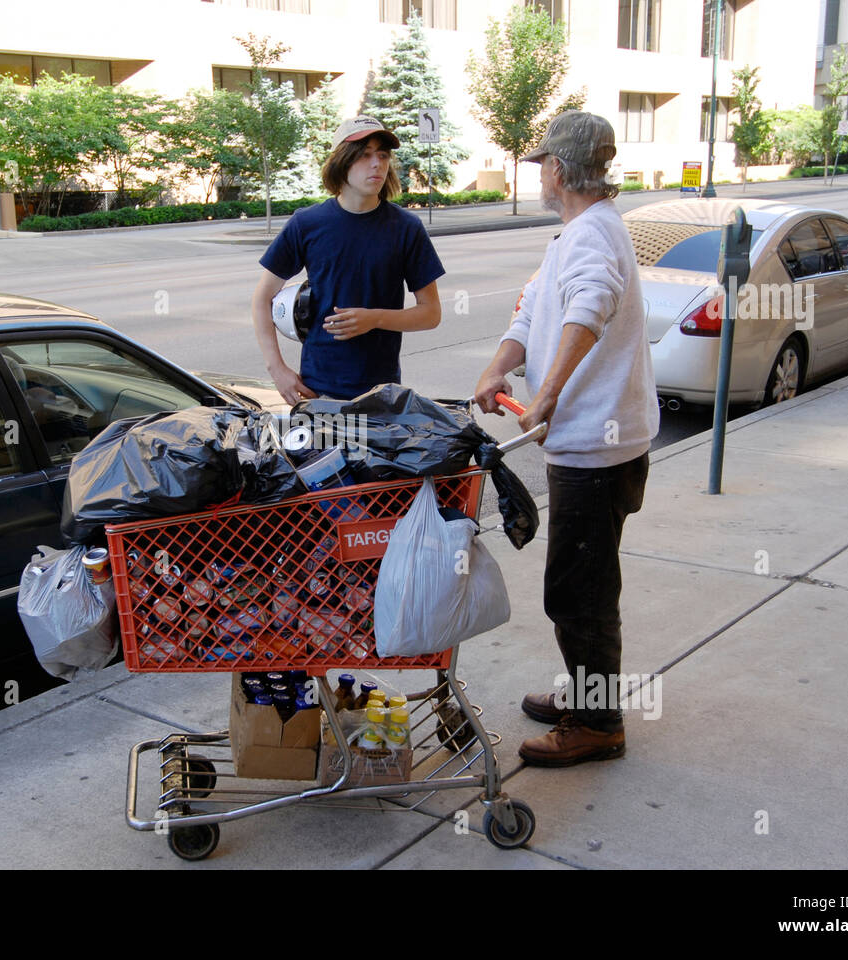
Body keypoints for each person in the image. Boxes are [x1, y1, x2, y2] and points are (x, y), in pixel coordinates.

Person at [474, 110, 659, 766]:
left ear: (558, 168)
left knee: (578, 589)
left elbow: (588, 308)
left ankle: (598, 723)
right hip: (596, 441)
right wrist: (501, 362)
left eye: (542, 164)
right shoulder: (579, 233)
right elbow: (534, 308)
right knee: (583, 579)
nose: (540, 176)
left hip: (594, 446)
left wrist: (544, 397)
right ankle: (586, 696)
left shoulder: (590, 237)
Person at [251, 116, 445, 404]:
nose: (377, 164)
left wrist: (375, 318)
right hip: (317, 392)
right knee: (321, 450)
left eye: (382, 155)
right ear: (342, 161)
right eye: (365, 155)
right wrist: (277, 369)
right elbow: (261, 299)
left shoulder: (406, 228)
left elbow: (430, 313)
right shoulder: (307, 224)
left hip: (381, 395)